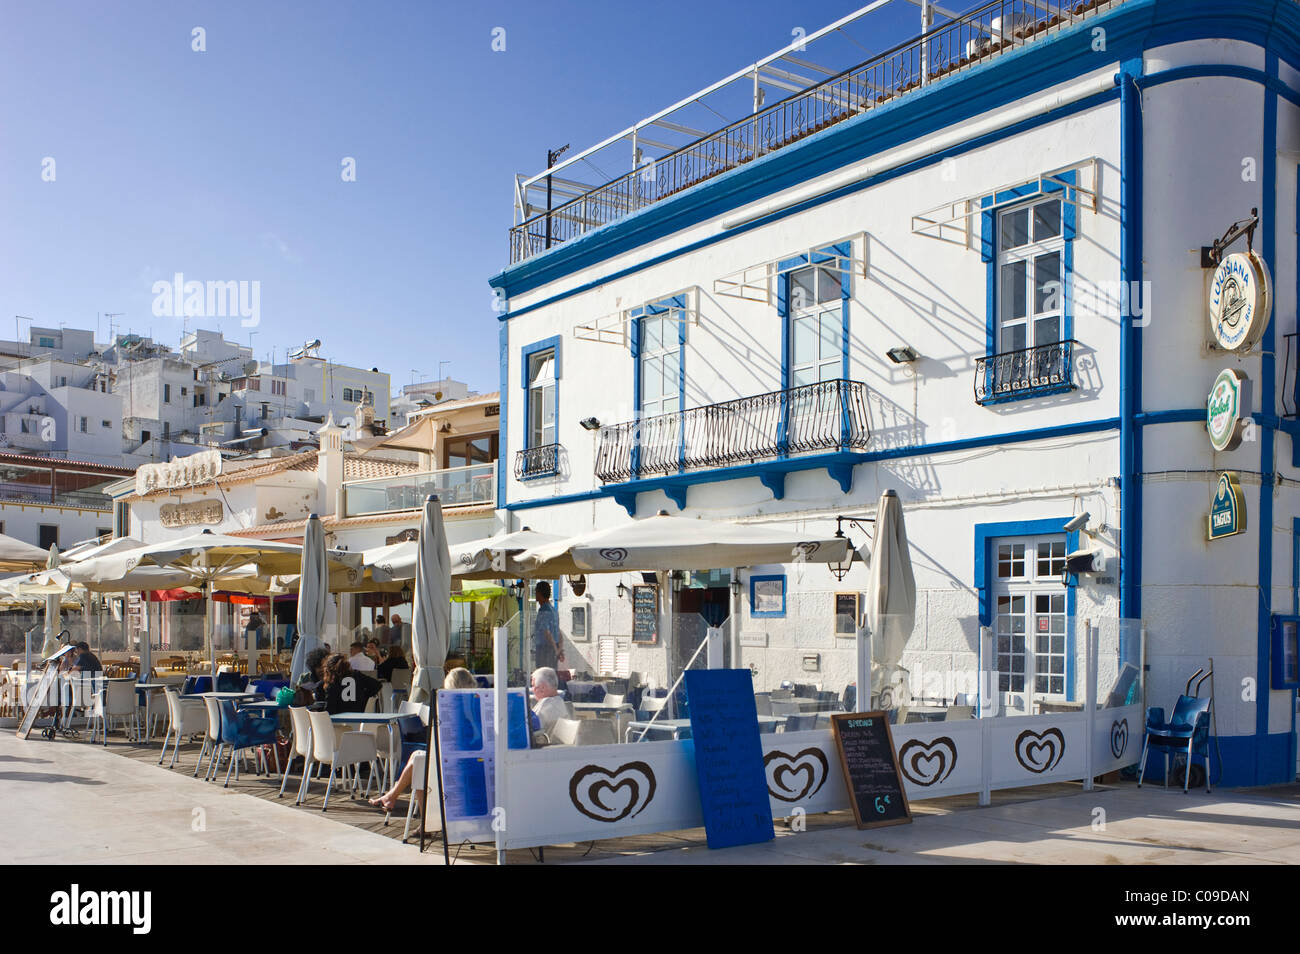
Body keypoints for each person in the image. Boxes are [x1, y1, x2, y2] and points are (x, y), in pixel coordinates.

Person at [368, 668, 480, 813]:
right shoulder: (474, 701)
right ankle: (395, 799)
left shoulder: (451, 706)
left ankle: (395, 798)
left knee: (418, 763)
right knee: (418, 761)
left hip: (457, 763)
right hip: (465, 758)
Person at [315, 653, 380, 714]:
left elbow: (330, 708)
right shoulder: (357, 675)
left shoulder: (333, 680)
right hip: (357, 720)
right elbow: (377, 685)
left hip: (337, 722)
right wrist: (364, 695)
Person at [531, 582, 562, 672]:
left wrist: (556, 649)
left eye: (536, 591)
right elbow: (558, 632)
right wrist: (559, 649)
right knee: (551, 675)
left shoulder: (543, 610)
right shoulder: (553, 610)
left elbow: (546, 632)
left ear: (540, 593)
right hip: (553, 648)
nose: (535, 594)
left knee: (543, 675)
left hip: (544, 649)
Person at [531, 667, 567, 737]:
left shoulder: (547, 704)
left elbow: (531, 727)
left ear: (542, 688)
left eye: (533, 685)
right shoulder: (559, 702)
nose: (532, 690)